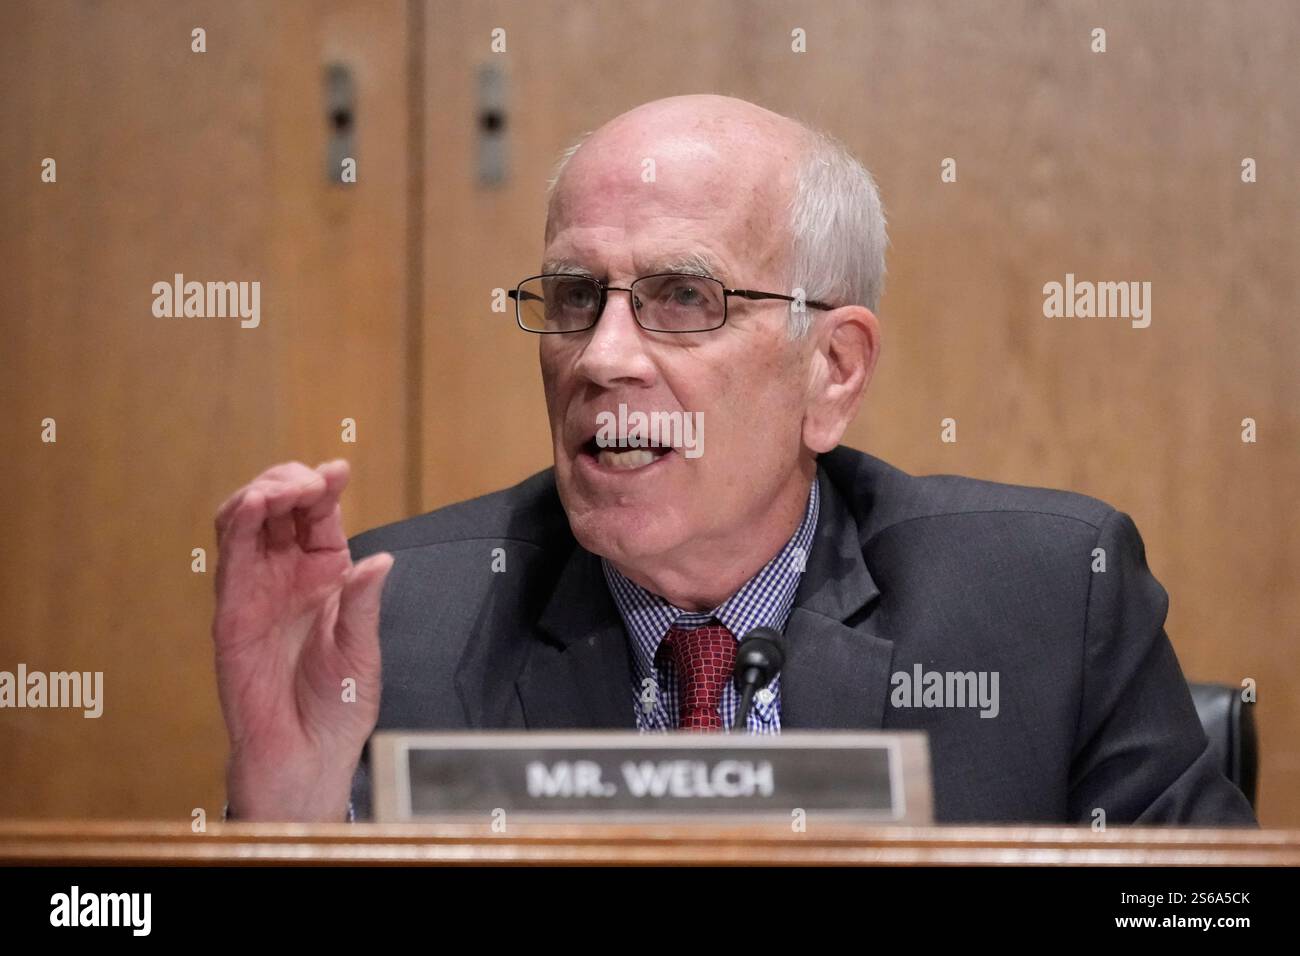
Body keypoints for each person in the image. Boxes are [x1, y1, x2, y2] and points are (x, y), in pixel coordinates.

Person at [211, 94, 1256, 825]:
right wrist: (286, 823)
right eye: (575, 298)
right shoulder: (393, 624)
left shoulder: (1044, 601)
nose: (602, 357)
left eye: (682, 299)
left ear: (832, 371)